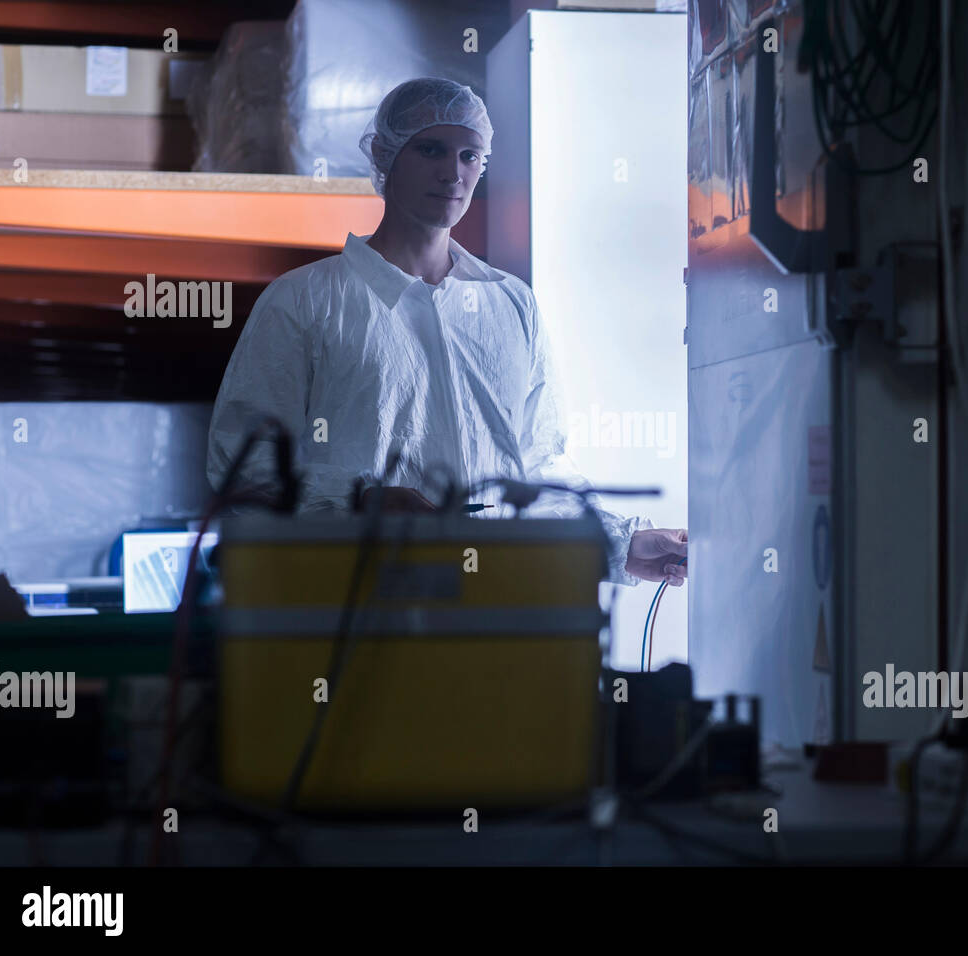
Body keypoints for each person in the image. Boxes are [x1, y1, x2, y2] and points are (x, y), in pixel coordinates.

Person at [206, 77, 687, 588]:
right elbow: (245, 471)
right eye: (431, 149)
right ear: (386, 156)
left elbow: (536, 465)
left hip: (494, 607)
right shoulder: (305, 300)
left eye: (470, 155)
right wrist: (357, 504)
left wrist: (622, 544)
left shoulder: (510, 303)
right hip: (356, 612)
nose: (452, 173)